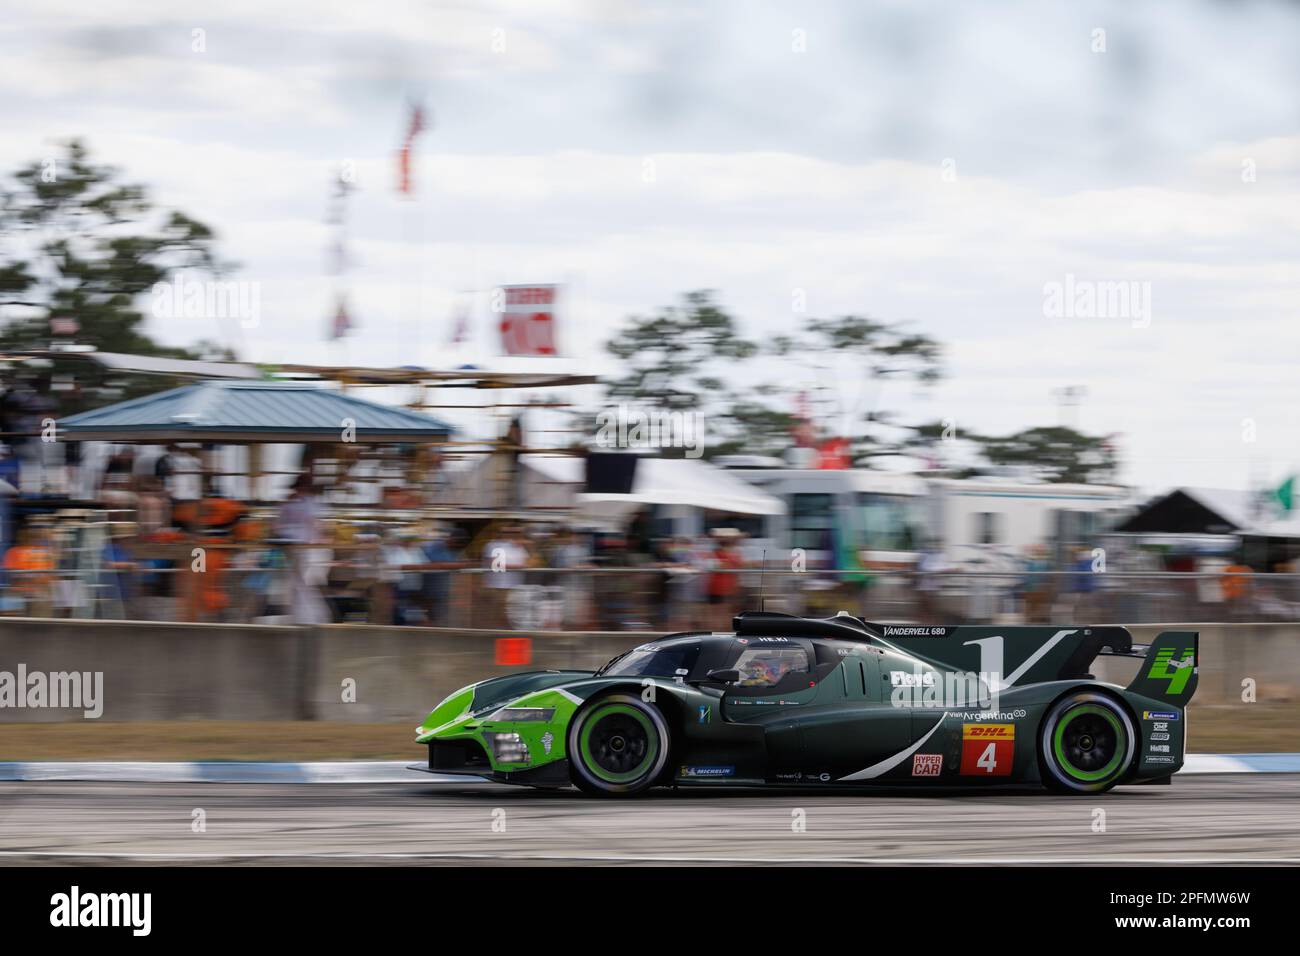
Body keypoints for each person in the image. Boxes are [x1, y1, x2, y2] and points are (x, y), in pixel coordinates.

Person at [274, 472, 330, 625]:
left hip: (295, 547)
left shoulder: (290, 503)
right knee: (300, 583)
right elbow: (317, 525)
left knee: (298, 583)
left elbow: (278, 526)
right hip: (303, 548)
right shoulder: (311, 503)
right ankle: (311, 616)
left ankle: (307, 616)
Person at [706, 528, 746, 630]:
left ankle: (722, 631)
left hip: (728, 588)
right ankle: (718, 632)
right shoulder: (716, 553)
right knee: (718, 614)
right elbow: (717, 566)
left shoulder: (734, 553)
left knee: (726, 613)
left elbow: (738, 565)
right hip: (718, 588)